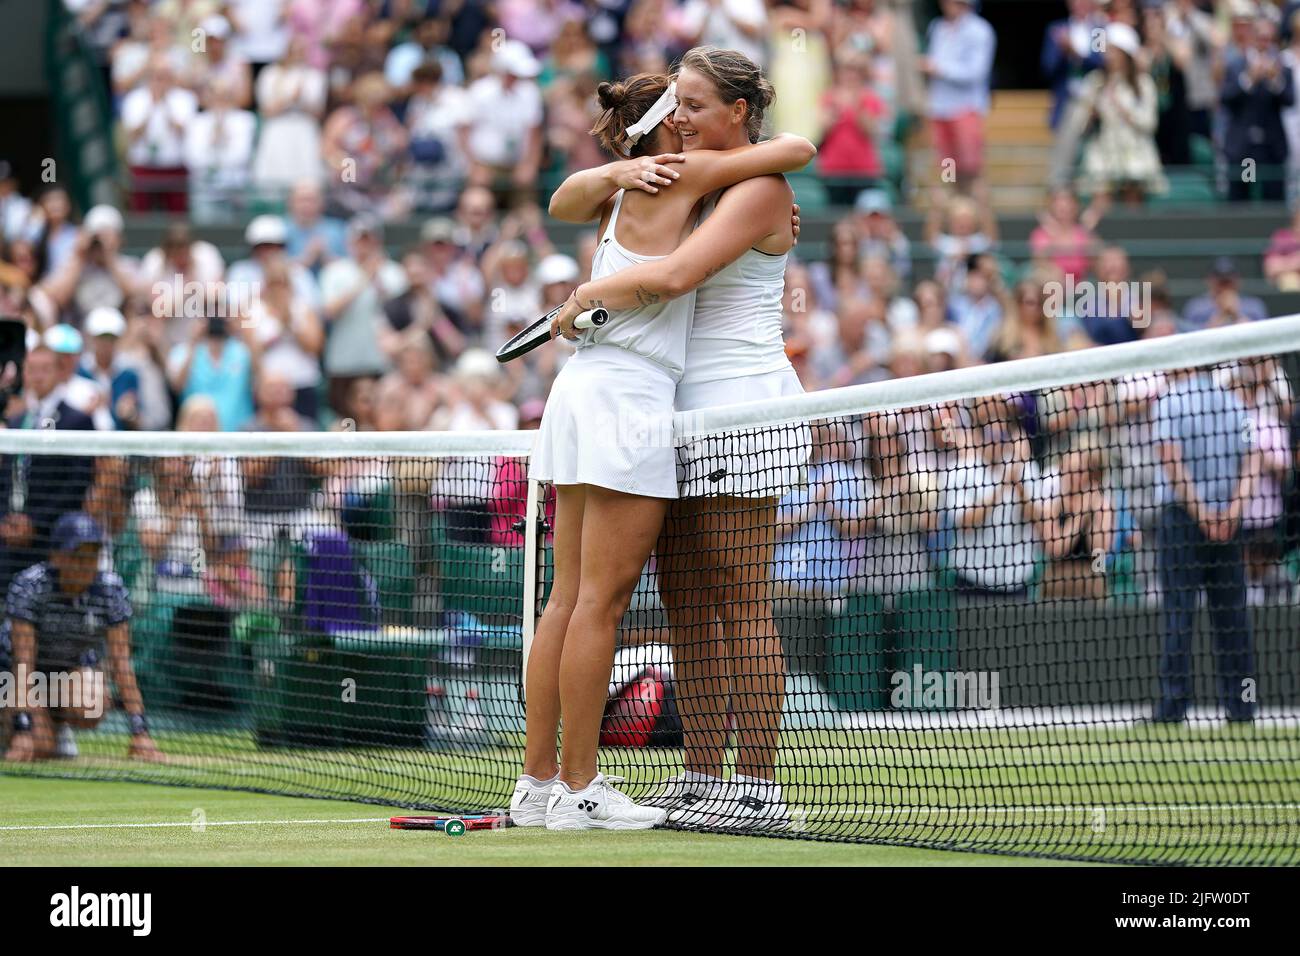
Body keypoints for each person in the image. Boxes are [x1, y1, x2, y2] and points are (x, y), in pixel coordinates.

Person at [513, 66, 815, 832]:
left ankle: (755, 786)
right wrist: (616, 170)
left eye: (697, 104)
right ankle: (690, 776)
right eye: (675, 105)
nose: (682, 116)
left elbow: (681, 268)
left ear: (737, 111)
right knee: (673, 605)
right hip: (659, 409)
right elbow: (579, 204)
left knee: (737, 600)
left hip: (735, 406)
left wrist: (582, 301)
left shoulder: (750, 182)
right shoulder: (675, 180)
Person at [1, 512, 160, 762]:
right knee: (37, 747)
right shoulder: (29, 586)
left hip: (63, 675)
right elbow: (23, 665)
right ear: (57, 557)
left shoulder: (110, 590)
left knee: (91, 704)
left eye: (93, 555)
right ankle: (14, 725)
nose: (86, 563)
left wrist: (140, 732)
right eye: (78, 555)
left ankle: (54, 723)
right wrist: (23, 729)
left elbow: (122, 666)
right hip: (11, 678)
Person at [1149, 366, 1257, 723]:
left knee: (1179, 614)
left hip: (1185, 521)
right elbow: (1252, 458)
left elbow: (1170, 459)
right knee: (1233, 618)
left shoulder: (1170, 401)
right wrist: (1232, 511)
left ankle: (1171, 709)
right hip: (1227, 523)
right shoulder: (1235, 404)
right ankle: (1243, 708)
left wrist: (1201, 513)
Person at [920, 0, 996, 191]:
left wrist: (939, 69)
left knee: (970, 166)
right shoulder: (937, 27)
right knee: (947, 167)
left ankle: (974, 210)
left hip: (966, 108)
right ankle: (952, 206)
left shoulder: (980, 30)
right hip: (939, 109)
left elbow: (977, 72)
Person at [1220, 17, 1295, 202]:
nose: (1265, 43)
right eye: (1261, 37)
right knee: (1244, 199)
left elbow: (1290, 100)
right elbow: (1226, 99)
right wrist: (1249, 79)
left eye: (1269, 38)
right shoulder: (1237, 65)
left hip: (1271, 148)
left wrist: (1275, 81)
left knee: (1273, 198)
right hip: (1245, 150)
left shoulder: (1282, 67)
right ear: (1253, 37)